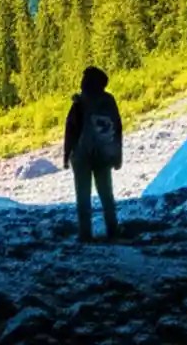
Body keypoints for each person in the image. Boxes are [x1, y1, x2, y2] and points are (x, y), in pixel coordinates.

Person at [63, 66, 122, 242]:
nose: (81, 82)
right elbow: (117, 128)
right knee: (106, 195)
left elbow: (71, 130)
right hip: (104, 155)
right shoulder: (109, 101)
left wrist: (66, 155)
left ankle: (85, 234)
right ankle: (113, 230)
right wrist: (118, 155)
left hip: (82, 156)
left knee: (83, 196)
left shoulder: (80, 103)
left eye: (84, 78)